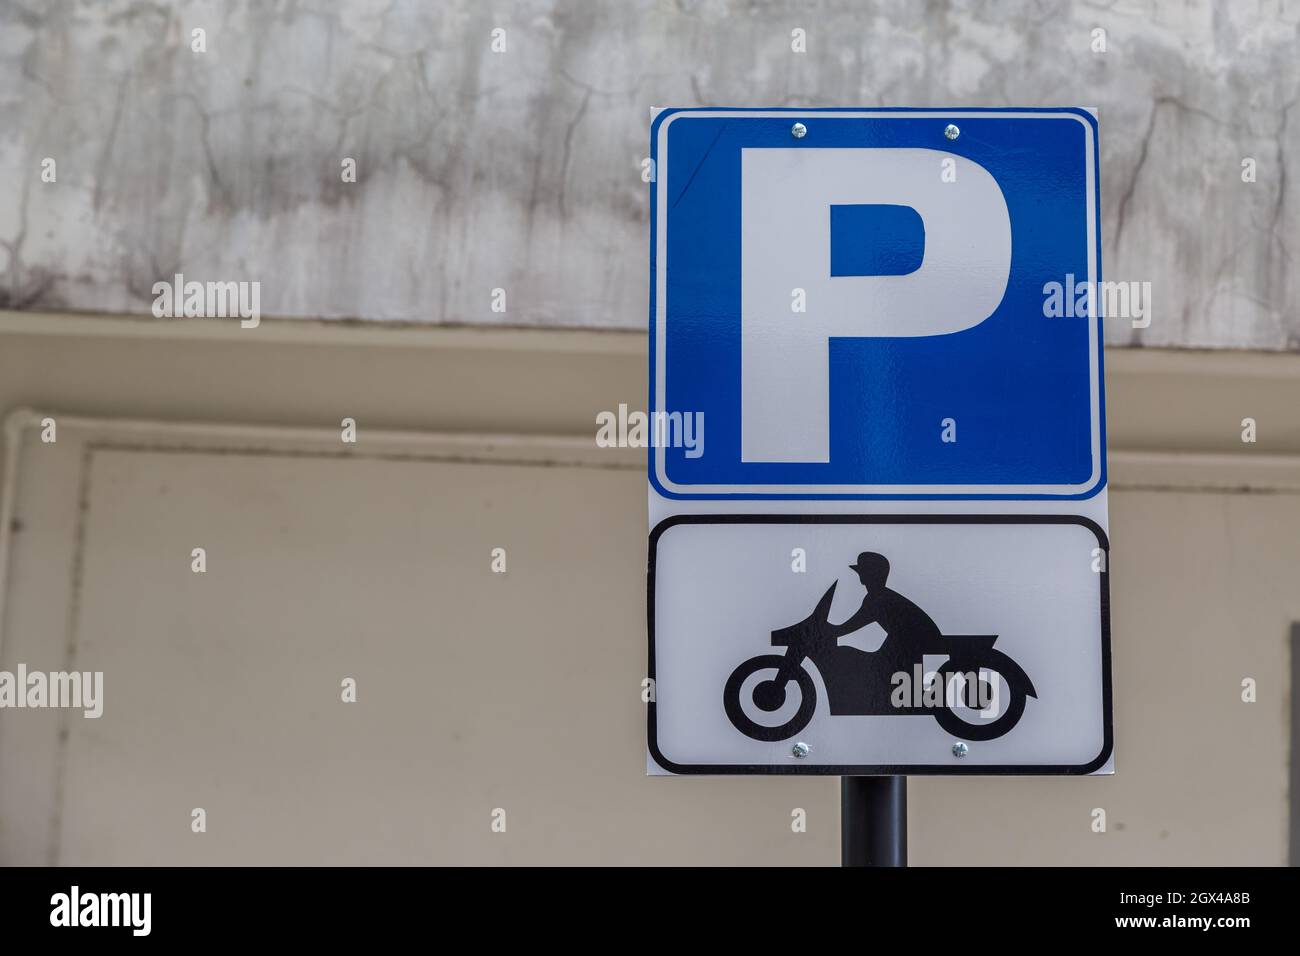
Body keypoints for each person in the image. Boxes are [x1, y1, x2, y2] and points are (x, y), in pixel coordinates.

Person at [830, 552, 942, 649]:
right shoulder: (881, 596)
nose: (861, 576)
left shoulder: (877, 599)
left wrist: (829, 632)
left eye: (863, 572)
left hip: (918, 640)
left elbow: (852, 625)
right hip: (909, 639)